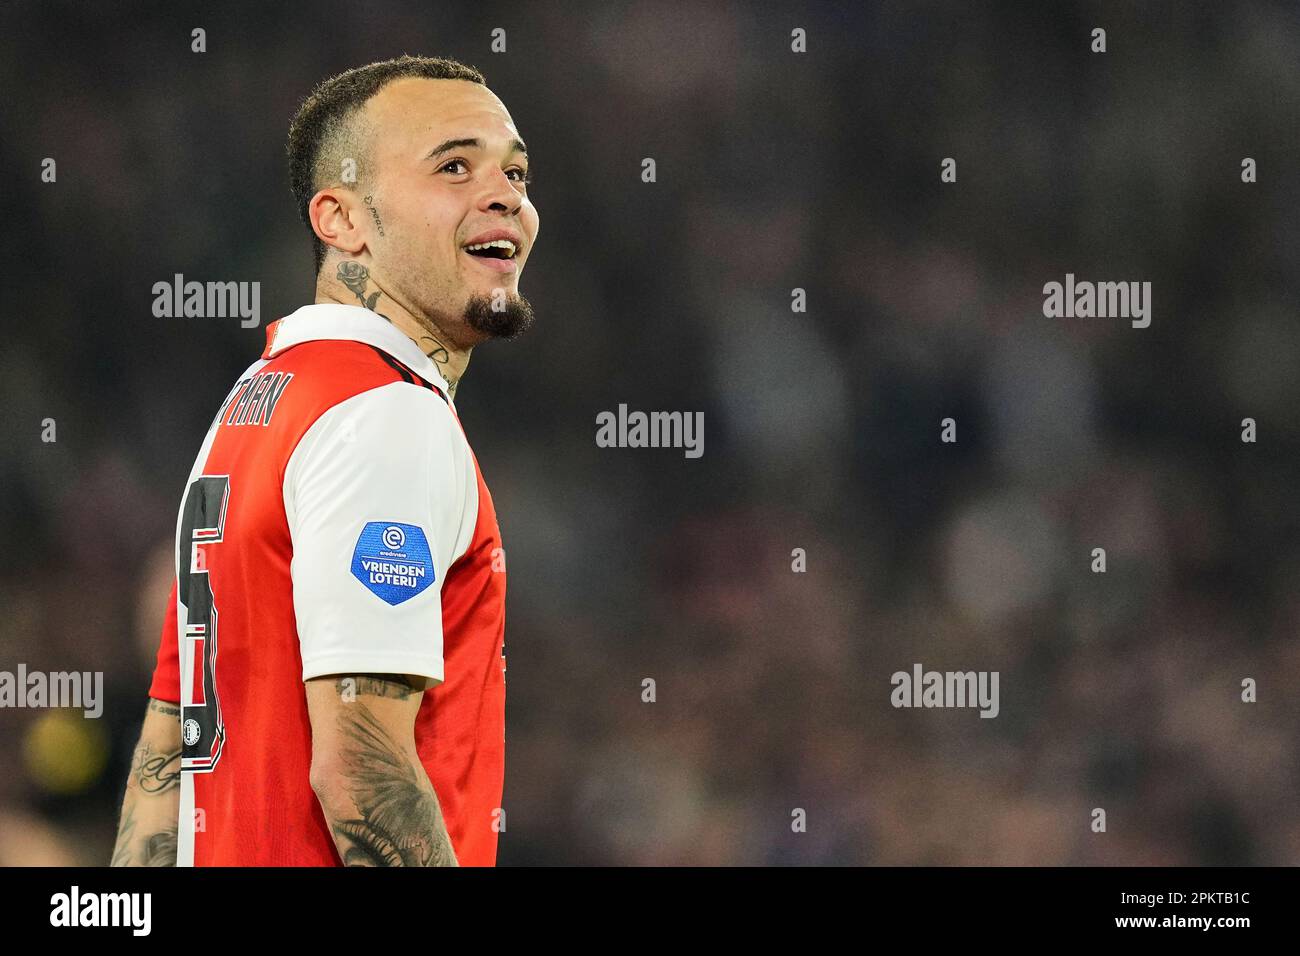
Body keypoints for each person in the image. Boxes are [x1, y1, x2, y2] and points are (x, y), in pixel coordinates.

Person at [111, 54, 539, 866]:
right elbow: (363, 781)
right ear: (341, 220)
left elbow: (164, 761)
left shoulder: (256, 403)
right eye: (454, 165)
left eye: (514, 171)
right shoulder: (386, 416)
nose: (506, 195)